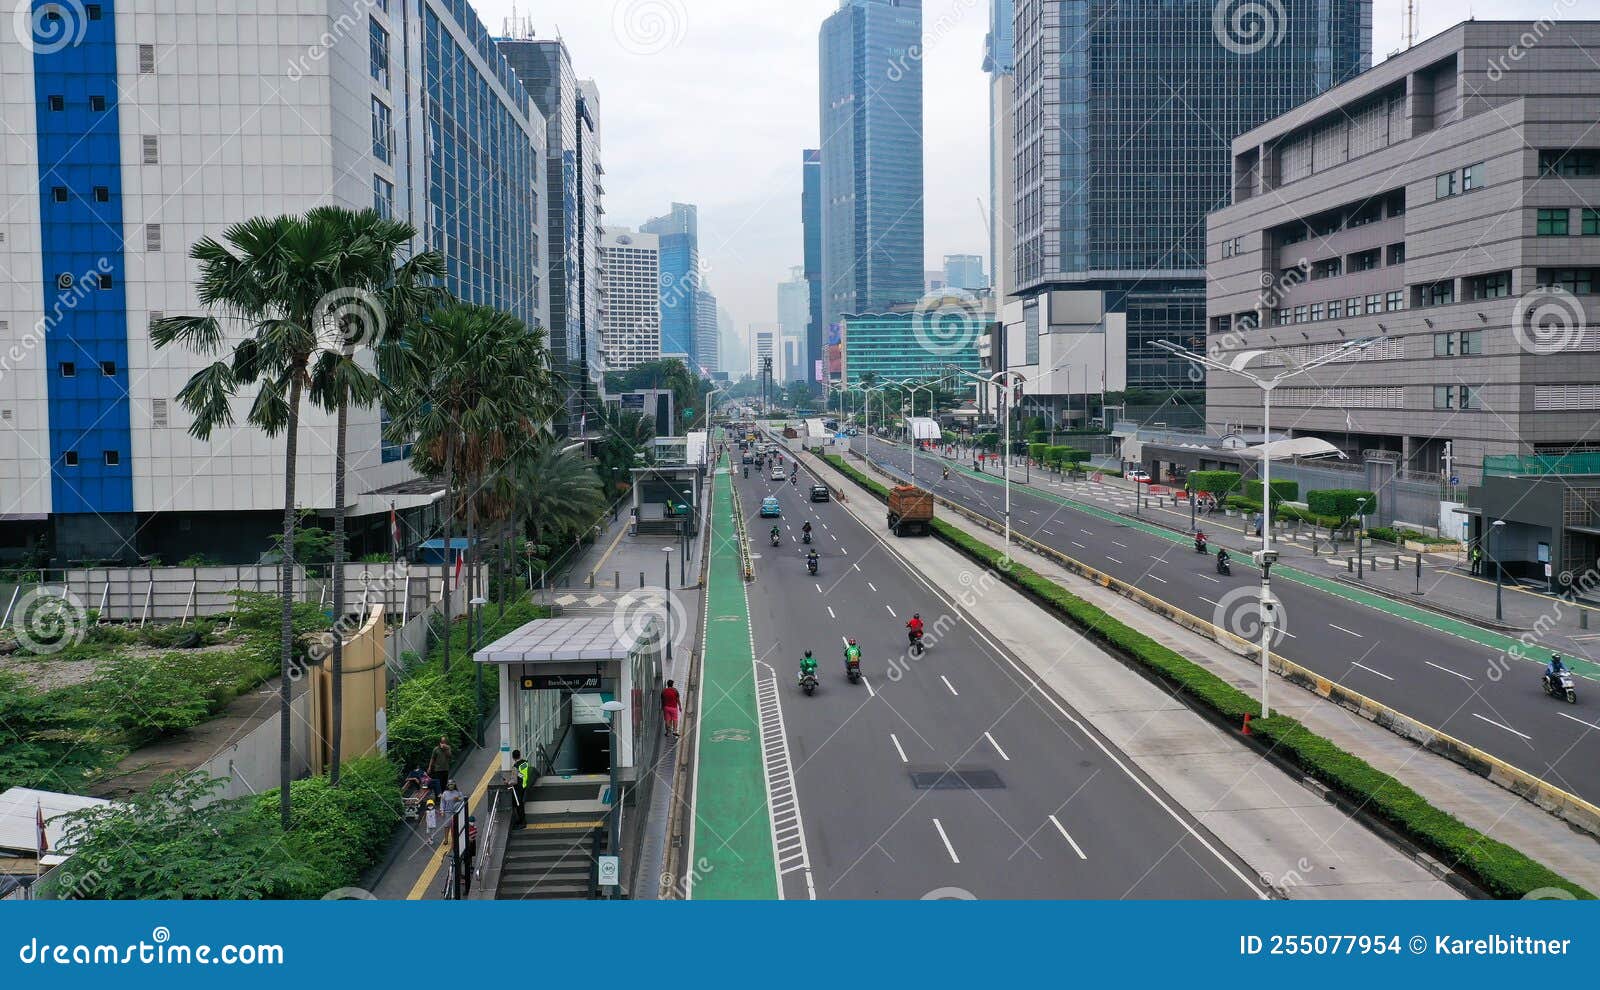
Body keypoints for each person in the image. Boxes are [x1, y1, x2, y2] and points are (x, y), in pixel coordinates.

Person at [510, 750, 530, 827]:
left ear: (513, 757)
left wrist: (508, 782)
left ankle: (523, 822)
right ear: (519, 755)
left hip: (518, 788)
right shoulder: (525, 763)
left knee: (519, 805)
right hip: (524, 785)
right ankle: (521, 820)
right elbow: (522, 775)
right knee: (520, 803)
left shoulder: (515, 767)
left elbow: (514, 781)